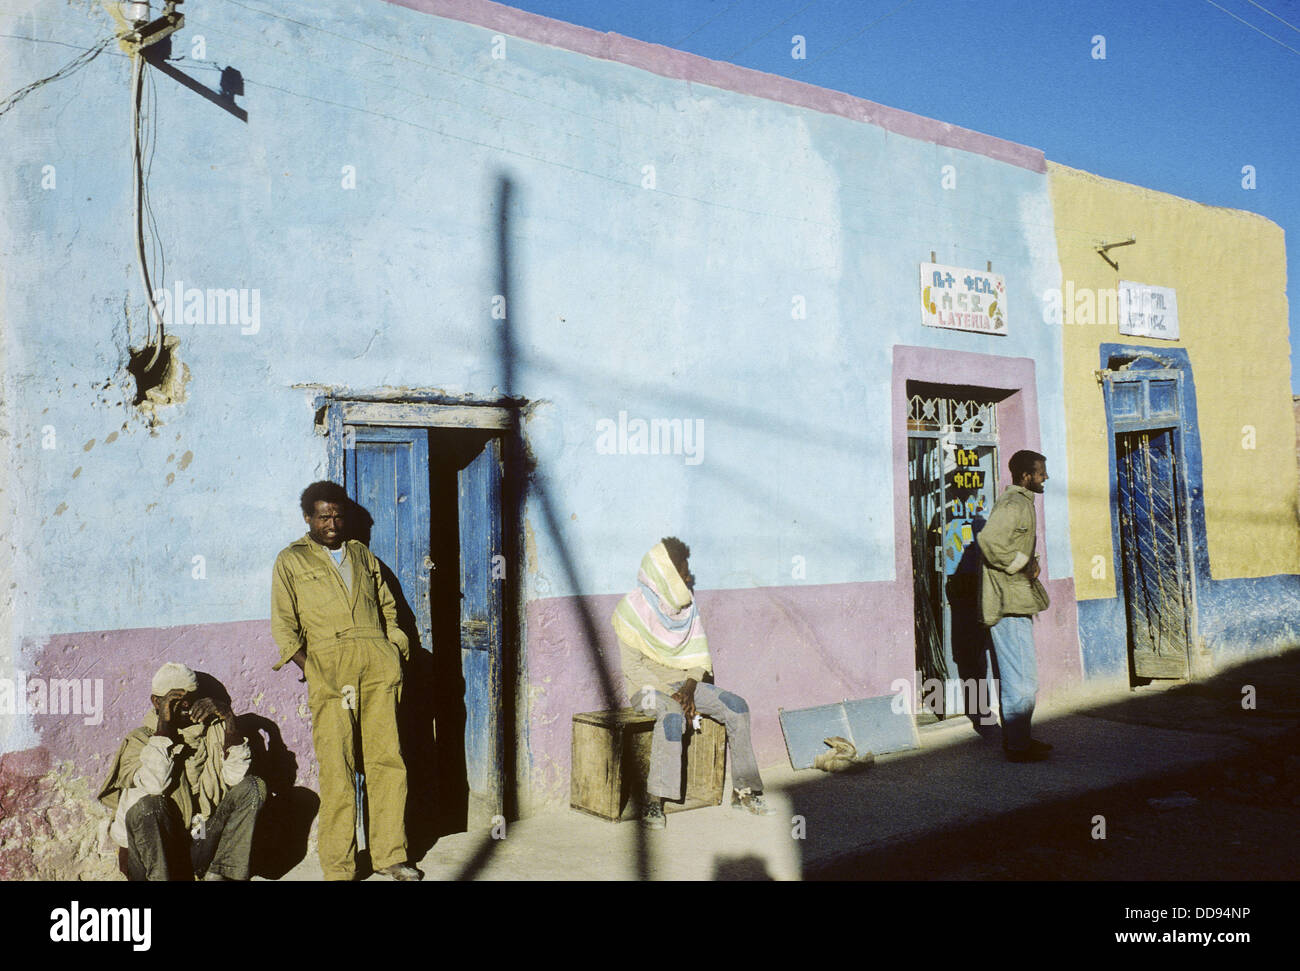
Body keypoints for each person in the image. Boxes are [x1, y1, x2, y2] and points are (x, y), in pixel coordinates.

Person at [271, 480, 420, 881]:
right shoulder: (291, 560)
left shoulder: (361, 554)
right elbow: (285, 627)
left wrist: (394, 650)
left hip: (376, 663)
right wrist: (311, 666)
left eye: (338, 515)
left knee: (388, 761)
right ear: (308, 518)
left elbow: (389, 608)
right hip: (329, 666)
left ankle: (391, 855)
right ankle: (339, 867)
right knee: (337, 766)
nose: (332, 523)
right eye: (323, 516)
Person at [613, 537, 772, 827]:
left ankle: (745, 791)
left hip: (684, 685)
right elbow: (633, 669)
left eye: (687, 572)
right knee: (672, 716)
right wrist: (674, 697)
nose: (688, 578)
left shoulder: (687, 608)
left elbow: (698, 659)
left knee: (737, 706)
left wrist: (687, 689)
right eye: (683, 573)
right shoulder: (631, 610)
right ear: (665, 576)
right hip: (646, 690)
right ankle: (654, 802)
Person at [97, 662, 266, 880]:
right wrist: (164, 727)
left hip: (198, 840)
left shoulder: (212, 732)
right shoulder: (141, 740)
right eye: (176, 700)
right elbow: (156, 784)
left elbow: (236, 778)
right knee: (149, 805)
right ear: (156, 702)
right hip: (153, 858)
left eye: (191, 698)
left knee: (253, 787)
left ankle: (221, 876)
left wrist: (229, 720)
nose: (186, 705)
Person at [976, 450, 1053, 762]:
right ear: (1025, 476)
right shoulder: (1013, 503)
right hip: (1008, 604)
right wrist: (1022, 565)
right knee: (1020, 680)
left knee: (1022, 678)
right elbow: (990, 542)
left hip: (1017, 601)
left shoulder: (1021, 502)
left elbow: (1008, 545)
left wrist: (1028, 562)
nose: (1044, 477)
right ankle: (1018, 746)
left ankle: (1020, 741)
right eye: (1040, 472)